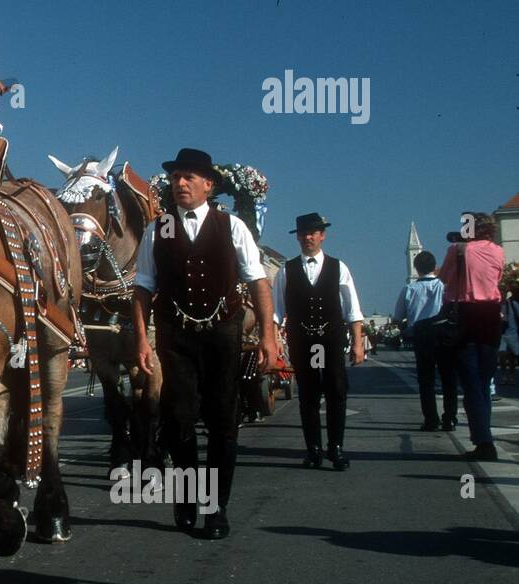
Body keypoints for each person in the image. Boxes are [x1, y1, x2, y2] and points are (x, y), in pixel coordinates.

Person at [133, 148, 277, 540]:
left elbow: (257, 281)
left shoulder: (231, 227)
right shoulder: (157, 229)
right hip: (176, 335)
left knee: (221, 422)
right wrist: (143, 339)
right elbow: (143, 288)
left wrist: (268, 334)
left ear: (208, 185)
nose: (180, 183)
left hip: (222, 334)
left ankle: (216, 508)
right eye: (177, 176)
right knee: (178, 419)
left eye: (189, 177)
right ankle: (186, 497)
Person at [271, 213, 365, 470]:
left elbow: (353, 309)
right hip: (303, 340)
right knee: (308, 394)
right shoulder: (286, 270)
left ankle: (335, 448)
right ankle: (313, 449)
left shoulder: (338, 267)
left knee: (336, 390)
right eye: (303, 233)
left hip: (331, 338)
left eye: (313, 233)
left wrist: (357, 343)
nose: (308, 237)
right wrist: (275, 338)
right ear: (298, 237)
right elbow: (276, 311)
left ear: (322, 235)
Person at [439, 212, 505, 461]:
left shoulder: (458, 250)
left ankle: (484, 441)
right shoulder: (498, 251)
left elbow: (443, 279)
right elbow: (496, 279)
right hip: (491, 316)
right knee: (484, 380)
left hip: (466, 316)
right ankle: (484, 436)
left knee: (471, 383)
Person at [394, 250, 458, 431]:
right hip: (444, 332)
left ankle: (431, 419)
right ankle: (450, 418)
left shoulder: (409, 289)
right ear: (434, 266)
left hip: (422, 334)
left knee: (426, 379)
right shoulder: (443, 285)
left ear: (416, 268)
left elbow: (399, 316)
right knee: (448, 377)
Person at [500, 281, 519, 387]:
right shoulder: (497, 305)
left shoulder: (512, 304)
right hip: (501, 334)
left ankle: (511, 376)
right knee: (502, 355)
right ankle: (503, 374)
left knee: (512, 357)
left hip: (512, 332)